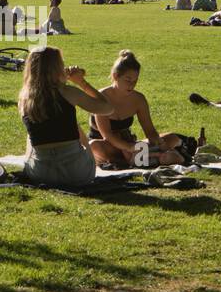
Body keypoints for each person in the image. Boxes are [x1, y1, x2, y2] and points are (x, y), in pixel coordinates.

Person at [18, 46, 113, 187]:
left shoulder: (24, 98)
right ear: (57, 67)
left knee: (33, 132)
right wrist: (82, 82)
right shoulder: (68, 92)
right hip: (76, 173)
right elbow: (107, 108)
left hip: (41, 174)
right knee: (74, 124)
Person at [88, 50, 188, 168]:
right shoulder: (102, 97)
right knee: (94, 146)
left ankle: (141, 158)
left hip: (130, 144)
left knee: (172, 138)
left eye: (135, 81)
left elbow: (150, 131)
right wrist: (129, 147)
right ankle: (144, 158)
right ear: (116, 76)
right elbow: (107, 135)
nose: (132, 85)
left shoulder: (138, 99)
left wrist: (161, 144)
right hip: (108, 145)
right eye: (128, 80)